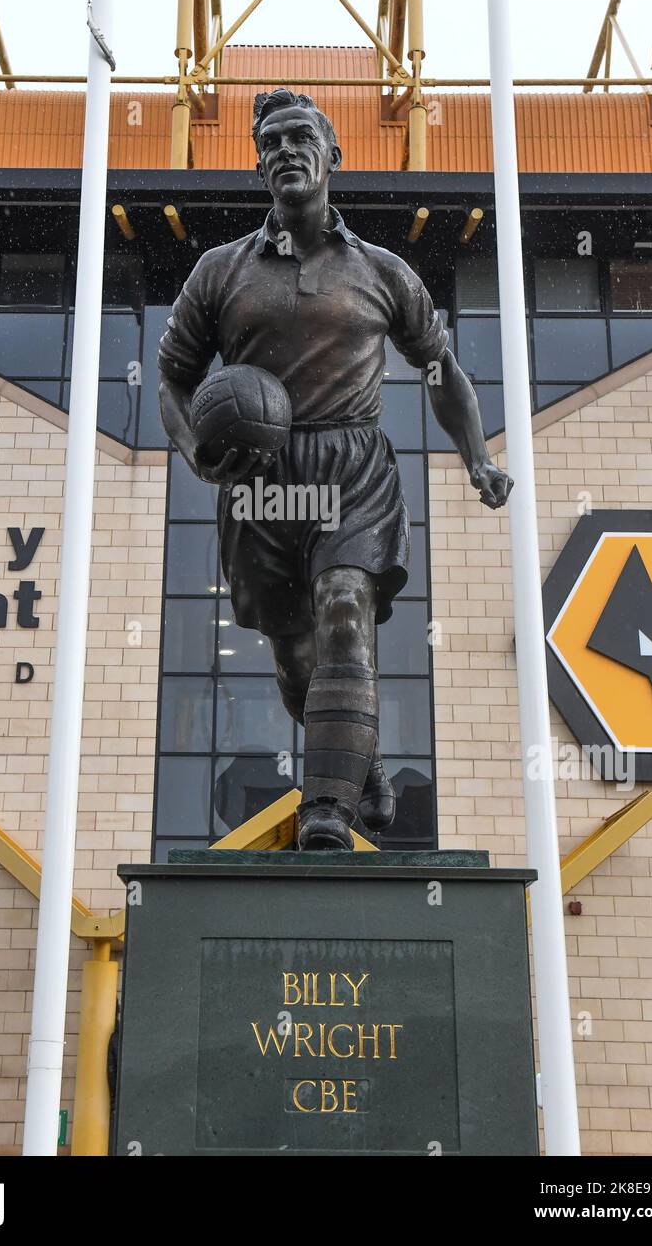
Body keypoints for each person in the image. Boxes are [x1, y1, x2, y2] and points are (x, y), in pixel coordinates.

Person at [159, 89, 512, 850]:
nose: (286, 150)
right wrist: (196, 452)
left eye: (300, 137)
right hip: (260, 480)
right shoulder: (219, 272)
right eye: (272, 142)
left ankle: (326, 806)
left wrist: (478, 457)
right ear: (259, 166)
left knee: (345, 610)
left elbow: (440, 368)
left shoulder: (383, 272)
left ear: (333, 157)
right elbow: (173, 379)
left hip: (351, 468)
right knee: (296, 660)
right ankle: (363, 758)